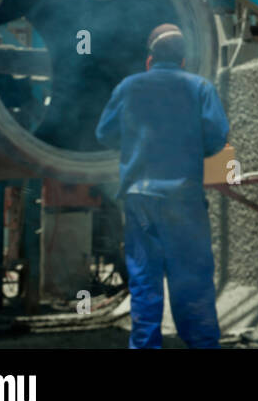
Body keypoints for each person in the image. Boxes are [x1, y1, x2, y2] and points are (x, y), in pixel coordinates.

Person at [96, 23, 229, 349]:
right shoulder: (200, 88)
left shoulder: (128, 88)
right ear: (183, 60)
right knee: (193, 279)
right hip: (183, 198)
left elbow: (104, 134)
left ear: (149, 59)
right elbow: (216, 137)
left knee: (144, 280)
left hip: (140, 198)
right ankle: (202, 345)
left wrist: (136, 143)